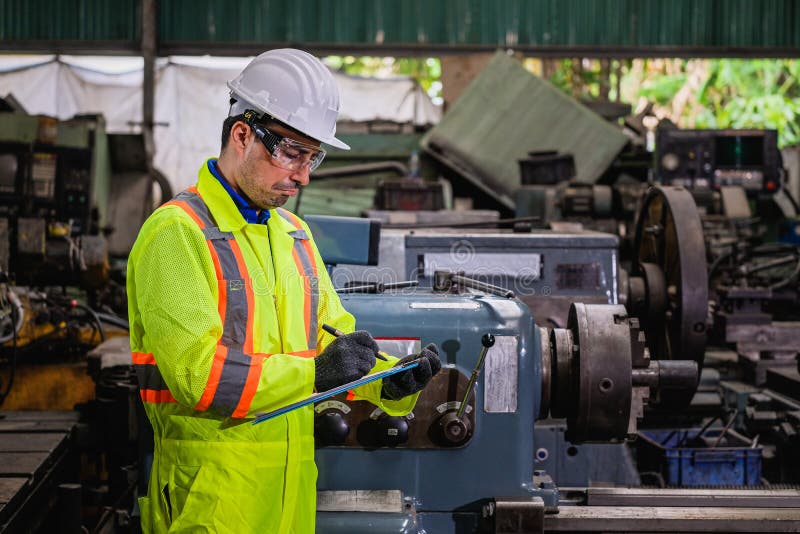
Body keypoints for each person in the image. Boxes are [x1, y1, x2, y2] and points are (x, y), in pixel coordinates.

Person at [127, 48, 441, 533]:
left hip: (292, 499)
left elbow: (337, 345)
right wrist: (314, 374)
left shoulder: (294, 235)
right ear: (242, 135)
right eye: (292, 152)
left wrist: (389, 383)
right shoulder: (177, 234)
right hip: (213, 502)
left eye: (312, 156)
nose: (303, 174)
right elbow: (198, 375)